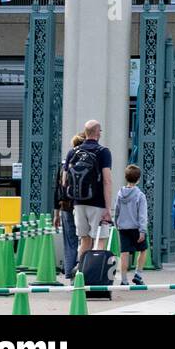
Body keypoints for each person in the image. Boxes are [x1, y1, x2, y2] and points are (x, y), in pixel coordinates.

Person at [64, 120, 115, 265]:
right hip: (97, 203)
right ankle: (95, 278)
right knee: (100, 241)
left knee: (85, 240)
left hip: (78, 203)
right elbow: (107, 181)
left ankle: (80, 276)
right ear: (98, 133)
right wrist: (108, 208)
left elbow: (64, 181)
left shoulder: (73, 152)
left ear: (85, 132)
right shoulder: (103, 152)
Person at [52, 133, 84, 279]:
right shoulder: (86, 163)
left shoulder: (64, 165)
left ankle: (70, 275)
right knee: (85, 239)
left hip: (65, 206)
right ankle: (82, 272)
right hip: (83, 206)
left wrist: (56, 214)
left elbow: (57, 189)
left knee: (70, 241)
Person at [112, 164, 149, 286]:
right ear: (138, 179)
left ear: (126, 178)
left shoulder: (120, 194)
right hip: (136, 228)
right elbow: (142, 215)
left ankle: (124, 279)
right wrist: (143, 230)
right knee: (143, 250)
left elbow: (116, 210)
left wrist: (116, 222)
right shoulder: (140, 195)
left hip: (123, 228)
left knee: (124, 254)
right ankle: (138, 275)